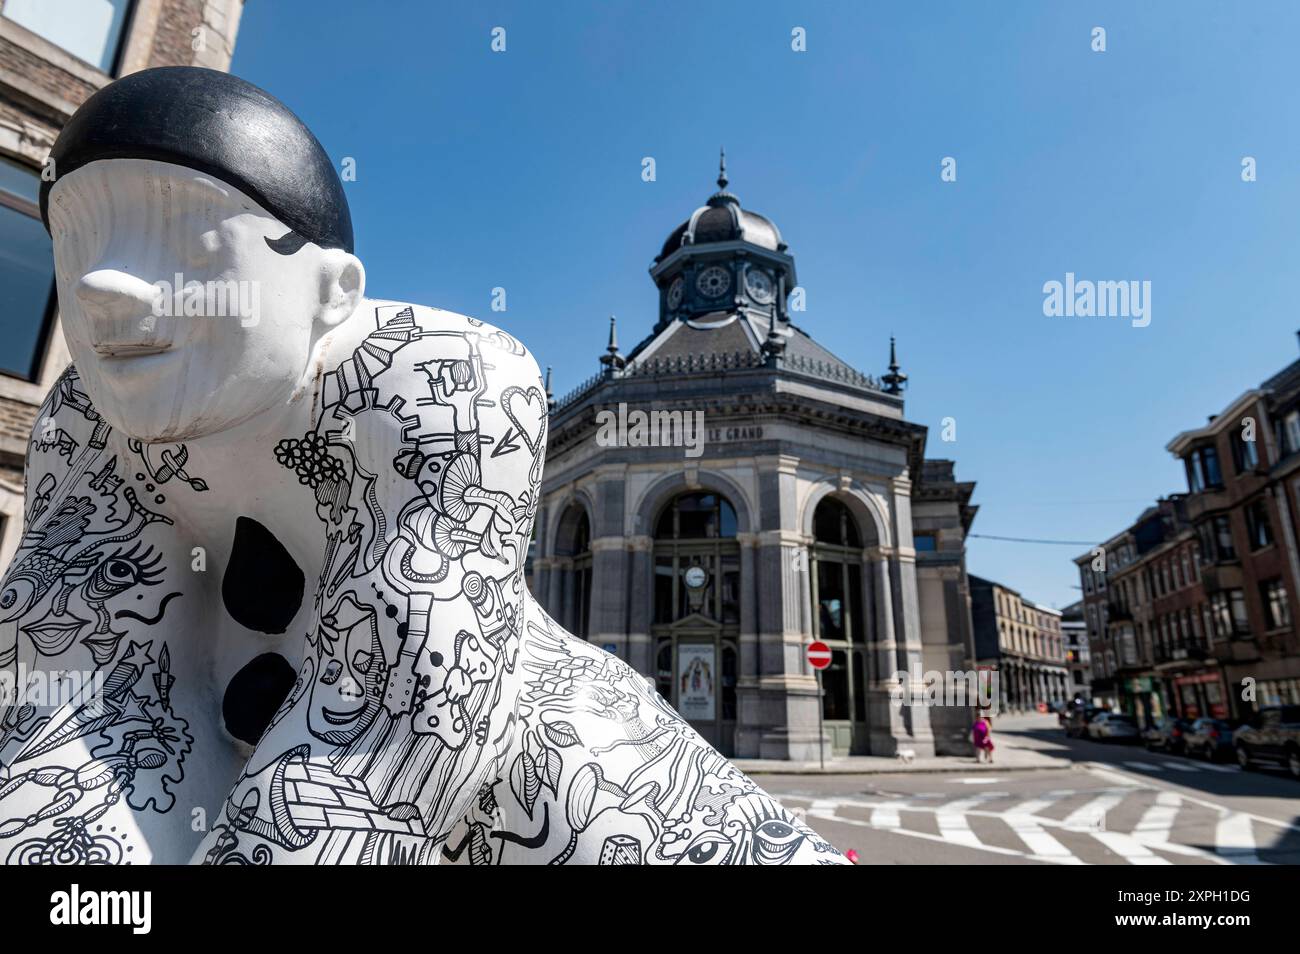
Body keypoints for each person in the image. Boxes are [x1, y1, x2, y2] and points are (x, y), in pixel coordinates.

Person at [0, 66, 846, 866]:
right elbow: (79, 721)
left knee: (575, 772)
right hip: (272, 760)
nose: (105, 284)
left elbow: (392, 730)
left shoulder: (443, 378)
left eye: (184, 233)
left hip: (572, 787)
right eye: (77, 240)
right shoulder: (85, 417)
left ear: (334, 291)